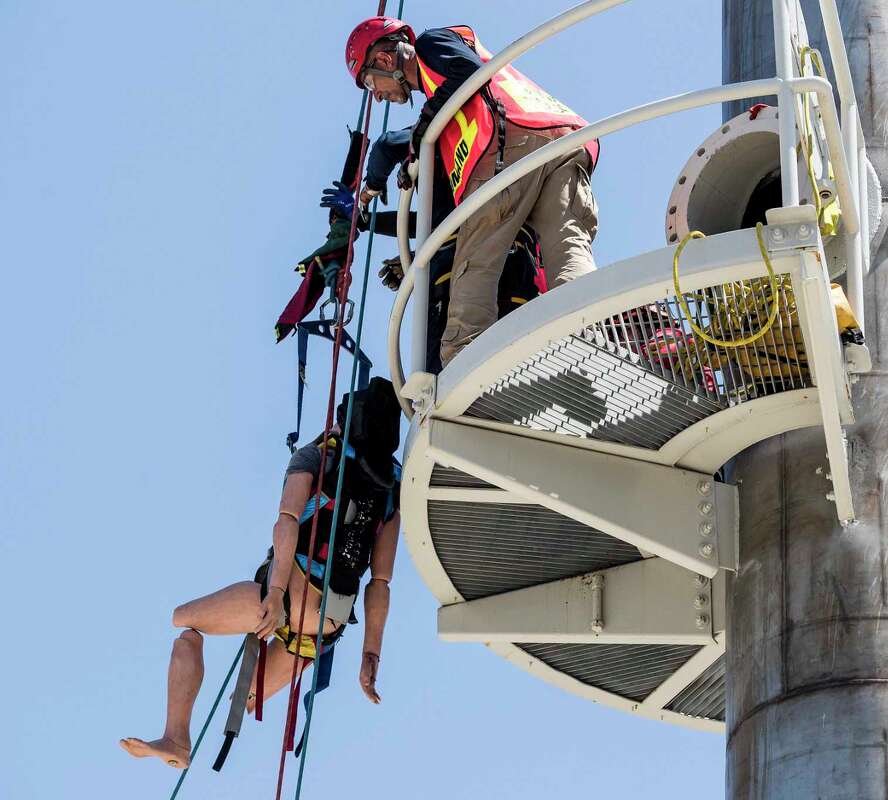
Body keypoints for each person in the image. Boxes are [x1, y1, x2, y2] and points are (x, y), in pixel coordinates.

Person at [119, 378, 403, 769]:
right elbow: (380, 582)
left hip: (288, 597)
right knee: (246, 697)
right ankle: (212, 725)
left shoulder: (318, 454)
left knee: (185, 623)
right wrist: (371, 652)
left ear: (344, 419)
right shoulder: (391, 487)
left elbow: (287, 521)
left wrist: (274, 592)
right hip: (322, 631)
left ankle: (176, 738)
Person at [344, 17, 601, 365]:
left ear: (384, 60)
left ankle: (462, 365)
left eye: (370, 83)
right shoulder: (446, 81)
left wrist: (422, 132)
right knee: (567, 246)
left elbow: (467, 71)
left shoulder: (429, 46)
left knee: (474, 265)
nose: (377, 95)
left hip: (511, 148)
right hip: (562, 139)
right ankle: (588, 334)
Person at [320, 124, 546, 374]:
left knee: (448, 374)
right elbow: (436, 221)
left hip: (461, 271)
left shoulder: (441, 127)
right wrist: (366, 221)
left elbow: (387, 145)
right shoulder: (501, 132)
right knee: (520, 359)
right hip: (516, 262)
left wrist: (365, 196)